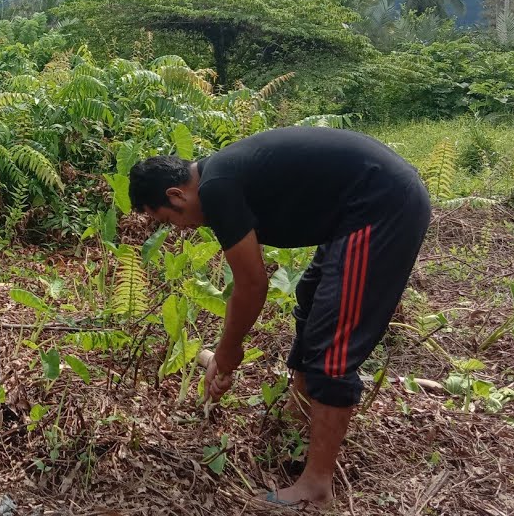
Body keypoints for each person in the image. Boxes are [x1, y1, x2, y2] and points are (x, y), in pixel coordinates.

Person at [128, 126, 431, 507]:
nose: (182, 228)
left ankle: (317, 486)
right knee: (311, 298)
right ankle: (297, 417)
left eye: (172, 219)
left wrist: (227, 351)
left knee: (333, 344)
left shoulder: (216, 188)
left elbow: (253, 284)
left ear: (176, 194)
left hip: (382, 206)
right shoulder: (219, 174)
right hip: (357, 210)